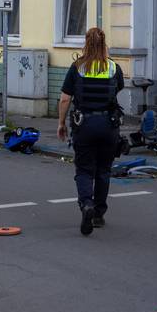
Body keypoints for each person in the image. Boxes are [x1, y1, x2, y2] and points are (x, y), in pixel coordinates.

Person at [58, 28, 125, 236]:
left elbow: (65, 99)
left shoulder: (77, 67)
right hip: (108, 125)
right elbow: (118, 90)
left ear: (86, 43)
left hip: (84, 124)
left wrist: (61, 123)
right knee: (104, 171)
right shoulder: (114, 67)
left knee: (85, 170)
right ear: (104, 44)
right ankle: (98, 214)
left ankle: (86, 204)